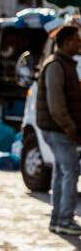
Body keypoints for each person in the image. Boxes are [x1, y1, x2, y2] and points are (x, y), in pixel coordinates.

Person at [36, 23, 81, 235]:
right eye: (77, 39)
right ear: (66, 42)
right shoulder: (56, 65)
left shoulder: (65, 64)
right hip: (58, 129)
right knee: (70, 171)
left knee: (62, 172)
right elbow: (57, 104)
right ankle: (64, 219)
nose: (79, 43)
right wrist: (70, 127)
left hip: (58, 128)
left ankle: (58, 218)